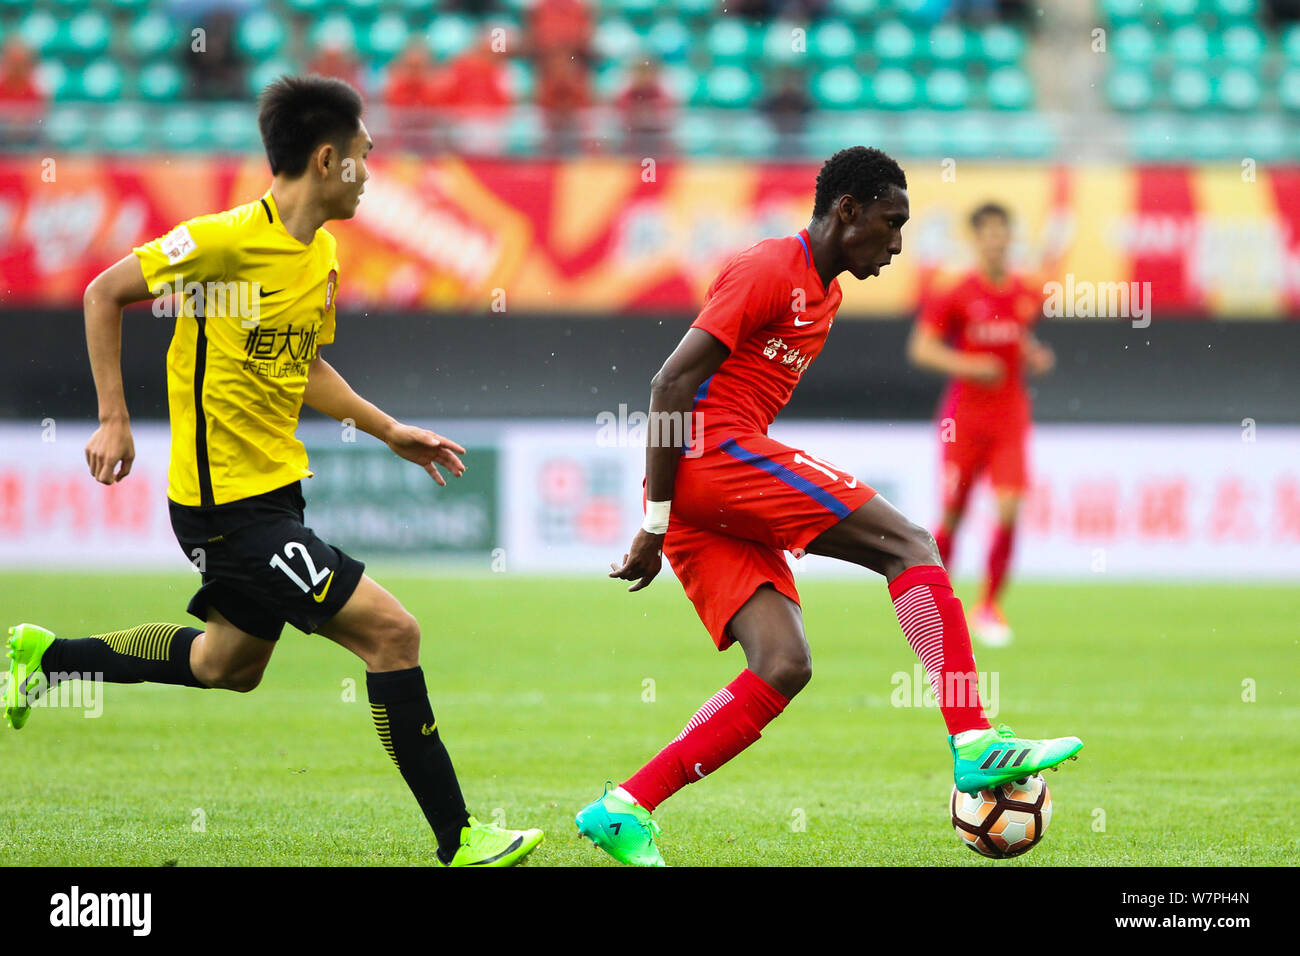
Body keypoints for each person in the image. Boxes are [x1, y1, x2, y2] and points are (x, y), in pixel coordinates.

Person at [4, 75, 543, 868]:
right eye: (364, 156)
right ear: (327, 159)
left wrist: (388, 428)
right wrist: (113, 414)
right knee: (394, 635)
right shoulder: (220, 241)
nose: (371, 170)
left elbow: (307, 367)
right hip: (227, 505)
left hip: (273, 494)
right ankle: (461, 838)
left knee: (229, 666)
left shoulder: (319, 252)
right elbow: (102, 291)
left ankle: (42, 657)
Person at [575, 147, 1081, 866]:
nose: (900, 244)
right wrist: (656, 517)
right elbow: (667, 385)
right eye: (891, 223)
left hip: (708, 494)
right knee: (909, 544)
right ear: (848, 211)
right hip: (713, 458)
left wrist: (672, 518)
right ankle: (974, 738)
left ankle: (624, 808)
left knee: (783, 664)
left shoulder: (827, 295)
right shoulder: (768, 267)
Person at [907, 202, 1054, 646]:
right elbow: (922, 349)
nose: (997, 240)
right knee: (953, 513)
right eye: (988, 233)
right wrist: (971, 365)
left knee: (1009, 510)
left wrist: (1032, 354)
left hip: (1010, 417)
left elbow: (1013, 334)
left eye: (1003, 232)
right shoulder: (954, 290)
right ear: (976, 239)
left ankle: (989, 606)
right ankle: (934, 604)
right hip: (963, 418)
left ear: (1011, 237)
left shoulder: (1027, 290)